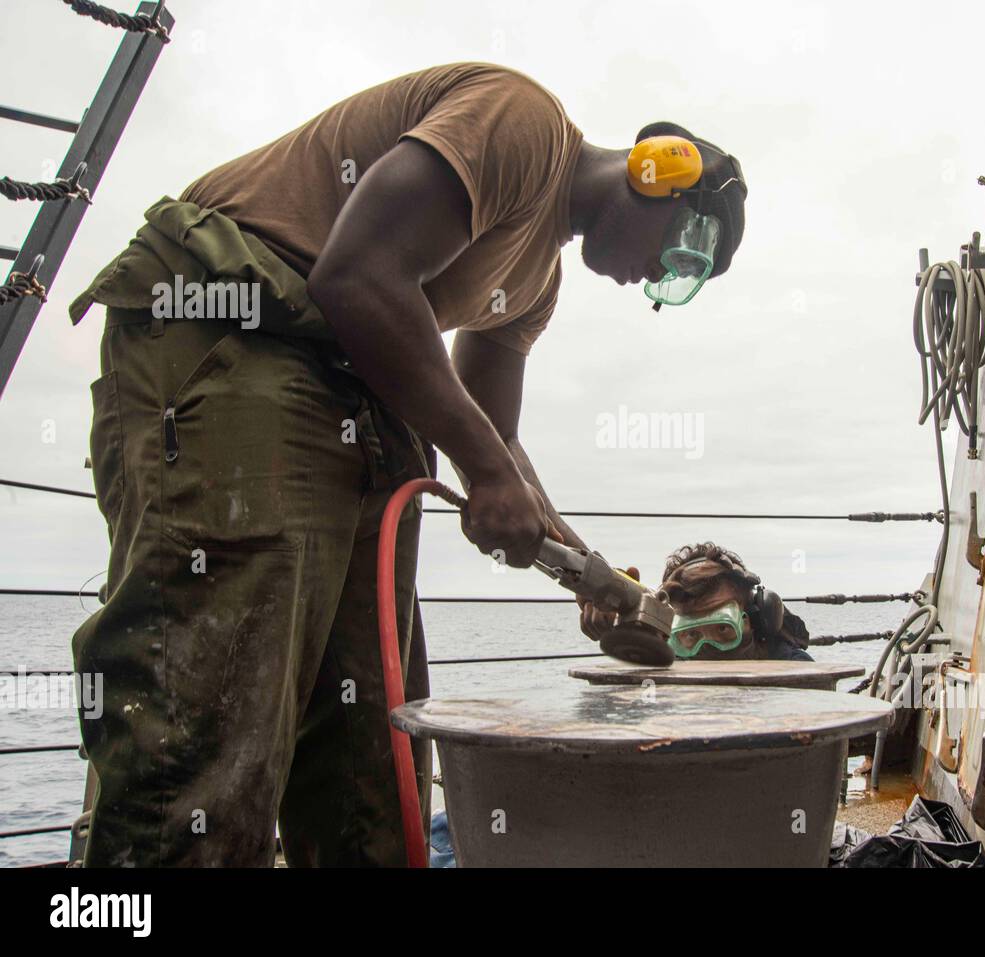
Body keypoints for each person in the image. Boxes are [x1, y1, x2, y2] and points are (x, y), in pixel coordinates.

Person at [68, 62, 747, 866]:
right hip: (240, 325)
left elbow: (494, 441)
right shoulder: (522, 122)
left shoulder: (535, 283)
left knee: (370, 756)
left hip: (355, 400)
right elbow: (359, 273)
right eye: (681, 254)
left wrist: (596, 583)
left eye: (681, 282)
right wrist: (489, 473)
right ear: (658, 169)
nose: (657, 281)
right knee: (209, 727)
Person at [658, 543, 812, 661]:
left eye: (723, 628)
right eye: (691, 634)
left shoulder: (790, 665)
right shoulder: (664, 667)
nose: (709, 646)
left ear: (752, 619)